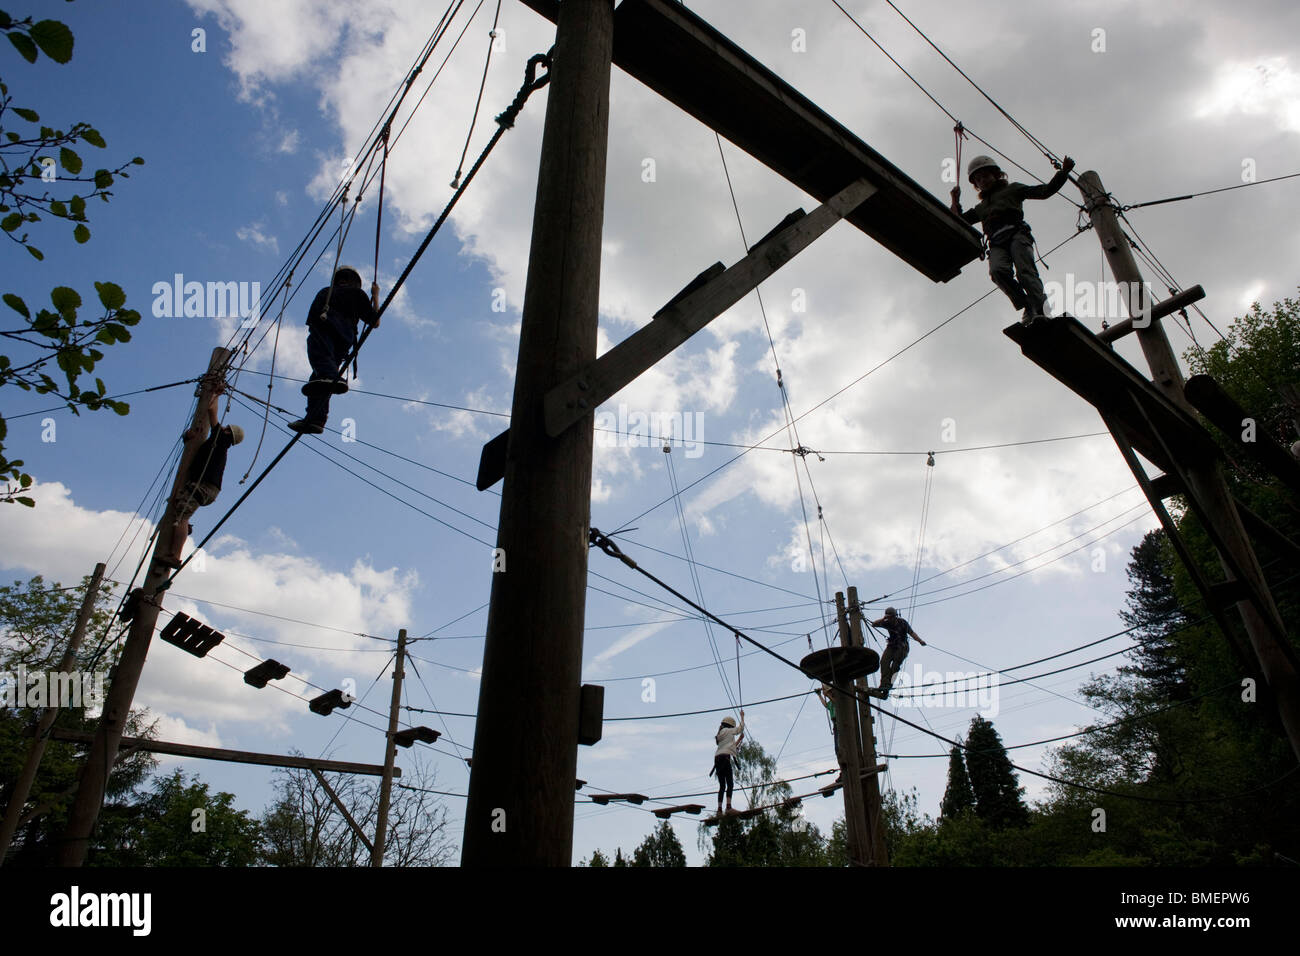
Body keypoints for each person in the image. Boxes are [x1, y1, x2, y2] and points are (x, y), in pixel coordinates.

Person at [950, 154, 1075, 323]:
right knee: (997, 270)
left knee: (1025, 272)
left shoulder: (1013, 190)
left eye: (986, 176)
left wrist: (1064, 172)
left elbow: (1044, 192)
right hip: (997, 243)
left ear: (996, 175)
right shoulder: (981, 208)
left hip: (1017, 234)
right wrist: (955, 201)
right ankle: (1027, 305)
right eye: (979, 179)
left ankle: (1041, 309)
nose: (983, 181)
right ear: (976, 185)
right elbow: (959, 221)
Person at [289, 266, 380, 434]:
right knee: (318, 380)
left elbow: (313, 319)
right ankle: (316, 419)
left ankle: (331, 379)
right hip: (344, 339)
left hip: (326, 330)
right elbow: (374, 322)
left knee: (321, 368)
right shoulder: (358, 295)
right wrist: (375, 296)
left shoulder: (327, 292)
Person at [158, 394, 243, 569]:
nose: (223, 426)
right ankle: (184, 528)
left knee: (181, 517)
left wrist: (216, 393)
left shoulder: (221, 438)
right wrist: (188, 439)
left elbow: (211, 410)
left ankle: (174, 556)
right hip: (205, 488)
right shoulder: (217, 443)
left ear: (229, 433)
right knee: (180, 509)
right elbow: (194, 452)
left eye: (226, 427)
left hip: (203, 487)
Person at [869, 606, 925, 699]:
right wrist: (883, 619)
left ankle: (888, 685)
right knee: (884, 662)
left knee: (895, 666)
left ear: (895, 616)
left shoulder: (902, 623)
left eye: (890, 617)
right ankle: (884, 684)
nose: (889, 619)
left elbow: (912, 633)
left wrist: (920, 641)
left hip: (902, 647)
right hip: (891, 646)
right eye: (888, 617)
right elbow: (874, 624)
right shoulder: (886, 622)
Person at [711, 709, 745, 816]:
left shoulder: (720, 734)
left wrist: (739, 739)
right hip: (725, 758)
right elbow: (740, 728)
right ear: (730, 726)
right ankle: (728, 807)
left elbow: (730, 746)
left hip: (717, 759)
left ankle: (719, 810)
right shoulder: (729, 731)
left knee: (722, 786)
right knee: (730, 784)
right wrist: (742, 716)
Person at [813, 684, 843, 781]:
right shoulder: (830, 703)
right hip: (836, 725)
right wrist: (819, 695)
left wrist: (827, 694)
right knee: (837, 749)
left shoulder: (839, 700)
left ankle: (845, 769)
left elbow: (837, 703)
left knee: (842, 747)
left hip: (841, 724)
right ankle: (842, 769)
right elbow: (825, 705)